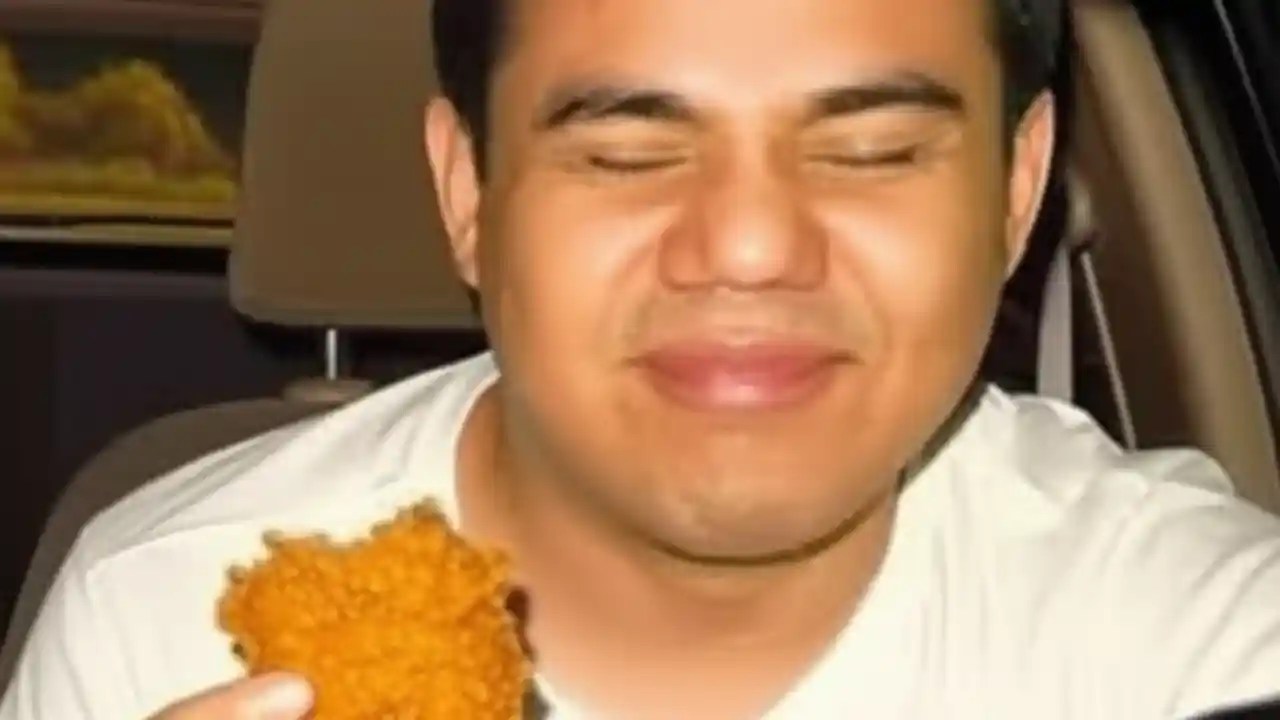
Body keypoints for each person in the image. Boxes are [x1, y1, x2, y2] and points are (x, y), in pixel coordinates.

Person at [4, 0, 1280, 717]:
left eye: (872, 151)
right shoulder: (162, 618)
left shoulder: (1191, 639)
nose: (747, 246)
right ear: (467, 191)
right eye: (626, 154)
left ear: (1015, 188)